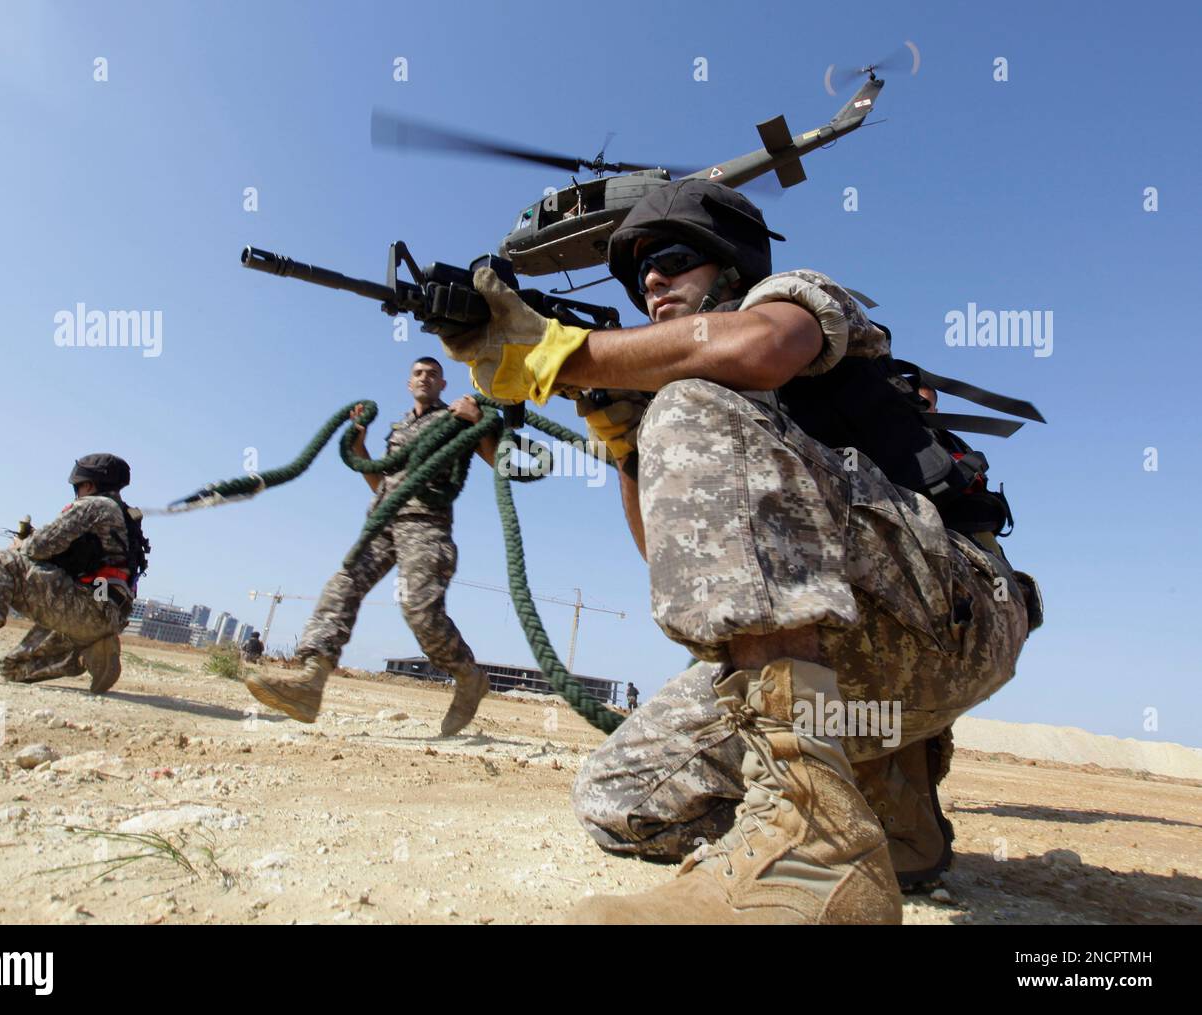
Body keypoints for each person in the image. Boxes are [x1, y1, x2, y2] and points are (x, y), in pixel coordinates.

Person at [439, 179, 1040, 924]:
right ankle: (883, 808)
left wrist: (566, 354)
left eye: (672, 257)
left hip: (960, 608)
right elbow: (678, 558)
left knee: (692, 398)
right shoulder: (682, 395)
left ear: (730, 265)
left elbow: (759, 349)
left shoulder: (791, 297)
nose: (650, 280)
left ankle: (808, 837)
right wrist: (623, 435)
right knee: (620, 797)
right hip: (867, 667)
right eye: (637, 274)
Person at [245, 357, 499, 736]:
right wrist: (361, 449)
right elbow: (382, 482)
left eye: (432, 374)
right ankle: (310, 680)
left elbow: (505, 464)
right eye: (418, 373)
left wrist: (479, 421)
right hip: (384, 520)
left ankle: (468, 676)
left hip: (426, 523)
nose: (424, 378)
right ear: (408, 382)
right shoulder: (399, 427)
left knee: (419, 610)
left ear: (444, 384)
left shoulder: (458, 417)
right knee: (343, 584)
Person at [0, 453, 148, 694]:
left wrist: (20, 544)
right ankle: (93, 650)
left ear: (88, 484)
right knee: (13, 668)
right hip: (107, 615)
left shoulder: (93, 505)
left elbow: (37, 548)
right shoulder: (126, 517)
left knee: (2, 562)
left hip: (86, 608)